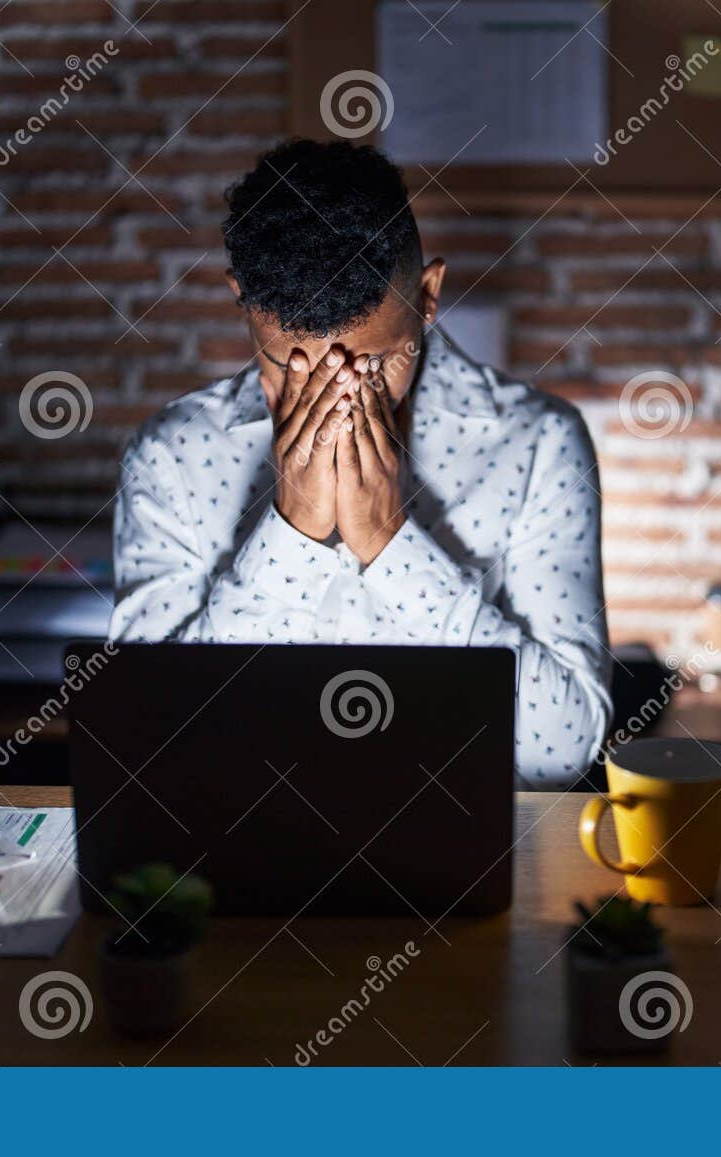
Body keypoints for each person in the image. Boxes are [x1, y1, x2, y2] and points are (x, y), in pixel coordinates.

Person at [109, 139, 612, 786]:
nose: (337, 399)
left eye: (372, 364)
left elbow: (558, 754)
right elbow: (150, 746)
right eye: (290, 365)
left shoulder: (540, 444)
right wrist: (288, 534)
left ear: (428, 296)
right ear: (242, 299)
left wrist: (392, 545)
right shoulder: (171, 458)